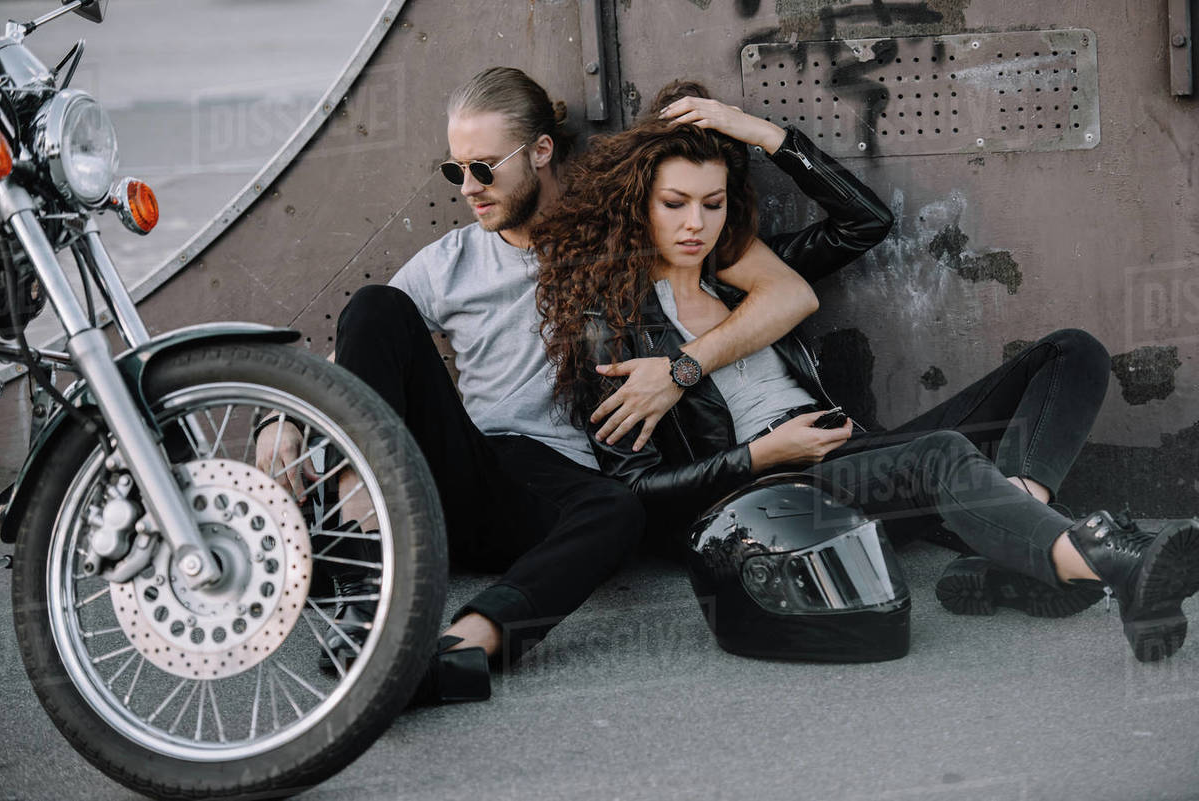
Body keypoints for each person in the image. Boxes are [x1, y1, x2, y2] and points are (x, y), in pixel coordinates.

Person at [533, 81, 1199, 663]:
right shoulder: (611, 322)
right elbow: (637, 493)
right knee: (943, 455)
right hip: (779, 489)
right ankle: (1112, 567)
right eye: (675, 203)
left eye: (712, 204)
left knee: (1070, 351)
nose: (695, 223)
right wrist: (760, 453)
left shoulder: (748, 278)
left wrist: (762, 134)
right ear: (637, 203)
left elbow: (865, 222)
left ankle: (1014, 543)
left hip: (850, 454)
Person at [256, 67, 822, 700]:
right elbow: (357, 350)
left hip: (547, 488)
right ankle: (364, 546)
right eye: (456, 171)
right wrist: (280, 419)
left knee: (617, 511)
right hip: (456, 465)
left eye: (485, 168)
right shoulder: (452, 261)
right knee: (375, 306)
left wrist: (682, 367)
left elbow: (786, 294)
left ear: (542, 152)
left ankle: (460, 651)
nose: (468, 188)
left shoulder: (626, 230)